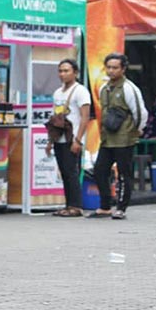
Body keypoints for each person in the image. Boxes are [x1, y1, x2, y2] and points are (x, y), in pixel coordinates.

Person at [91, 52, 148, 220]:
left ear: (123, 69)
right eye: (108, 67)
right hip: (107, 138)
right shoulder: (103, 88)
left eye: (115, 68)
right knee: (100, 170)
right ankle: (105, 206)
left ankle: (121, 208)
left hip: (124, 138)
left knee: (124, 173)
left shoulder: (129, 88)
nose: (111, 71)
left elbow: (140, 112)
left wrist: (137, 129)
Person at [47, 59, 91, 218]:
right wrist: (50, 141)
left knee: (72, 172)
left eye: (66, 71)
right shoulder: (57, 92)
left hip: (72, 138)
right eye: (60, 71)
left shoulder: (81, 91)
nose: (63, 74)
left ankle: (76, 206)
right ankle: (68, 204)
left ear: (75, 72)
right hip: (59, 137)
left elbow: (85, 117)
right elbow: (55, 118)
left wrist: (78, 140)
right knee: (64, 172)